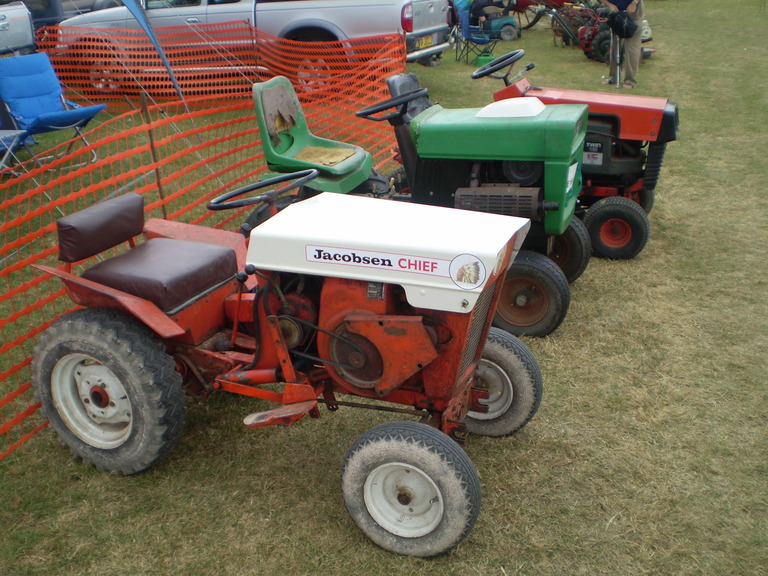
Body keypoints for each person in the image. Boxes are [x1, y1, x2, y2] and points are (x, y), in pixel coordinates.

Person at [601, 0, 645, 89]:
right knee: (615, 44)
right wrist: (609, 4)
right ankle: (613, 77)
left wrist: (634, 2)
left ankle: (630, 80)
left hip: (634, 10)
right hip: (616, 9)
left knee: (631, 46)